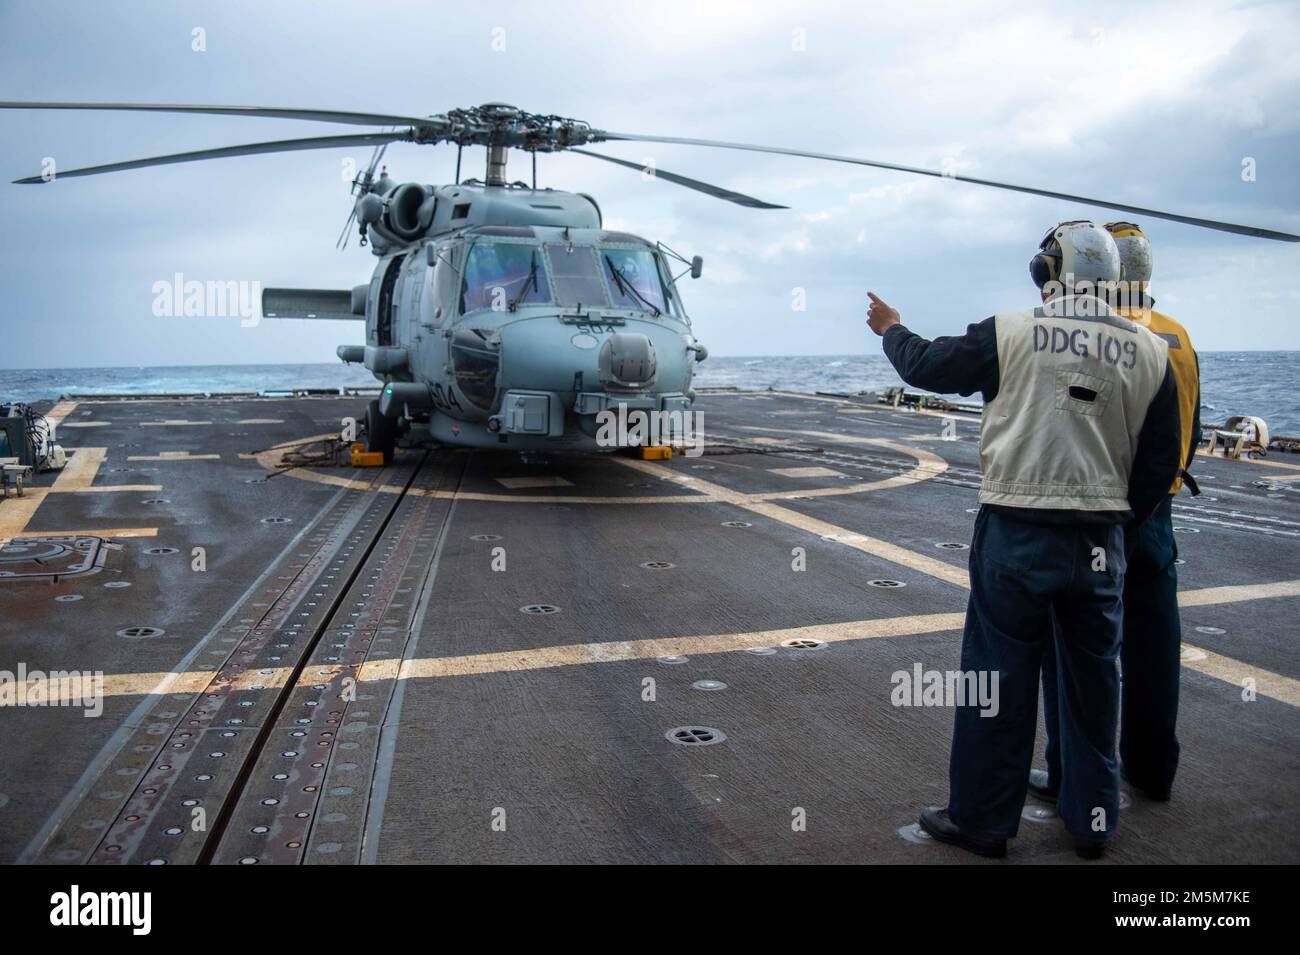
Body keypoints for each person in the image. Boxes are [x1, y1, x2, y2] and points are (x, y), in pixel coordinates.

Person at [865, 220, 1181, 858]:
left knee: (996, 678)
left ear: (1050, 273)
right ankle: (1093, 817)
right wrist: (1112, 523)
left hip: (1017, 532)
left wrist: (891, 330)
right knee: (1096, 682)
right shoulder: (1151, 352)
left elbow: (928, 366)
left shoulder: (1010, 332)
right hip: (1101, 541)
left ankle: (982, 820)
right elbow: (1161, 460)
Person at [1030, 222, 1201, 808]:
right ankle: (1154, 771)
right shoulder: (1176, 336)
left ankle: (1068, 776)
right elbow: (1188, 432)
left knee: (1077, 652)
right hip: (1161, 517)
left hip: (1103, 513)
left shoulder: (1112, 338)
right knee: (1157, 650)